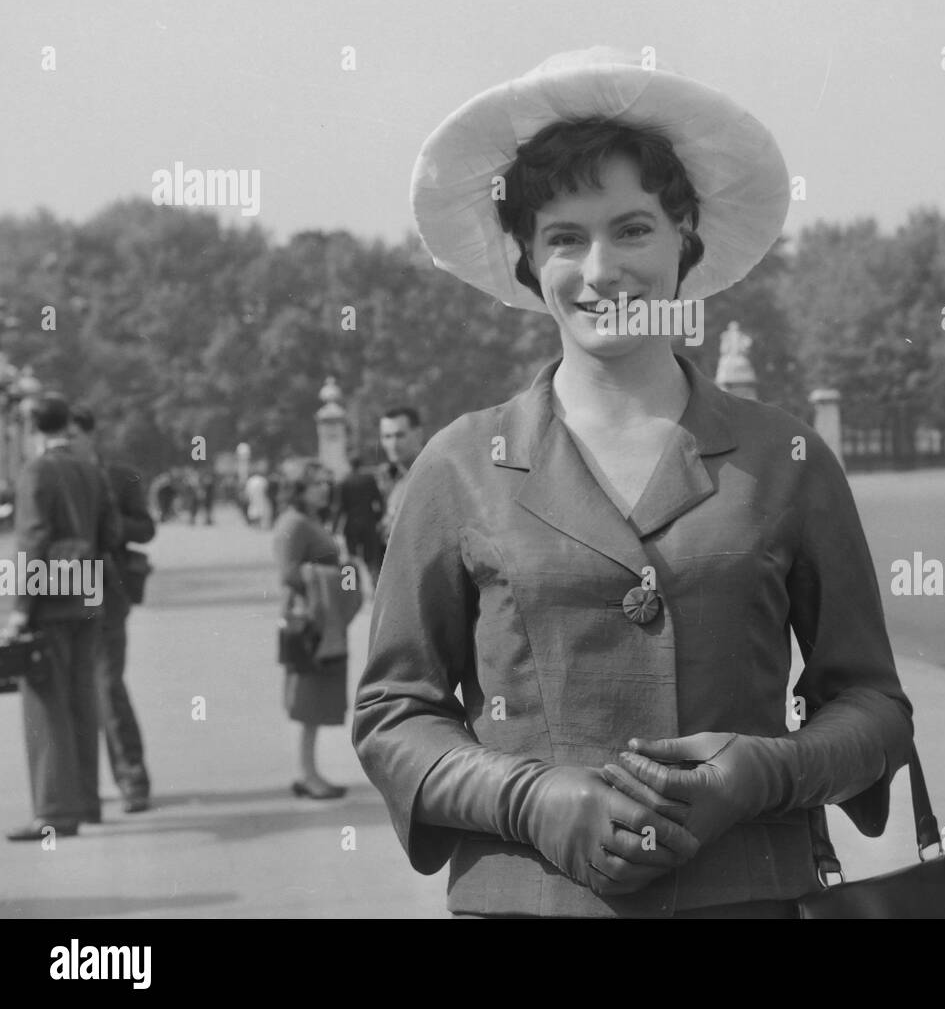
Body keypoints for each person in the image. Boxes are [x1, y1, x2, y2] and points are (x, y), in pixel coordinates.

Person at [354, 48, 913, 917]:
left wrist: (768, 769)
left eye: (633, 227)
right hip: (526, 900)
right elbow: (394, 713)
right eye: (565, 237)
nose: (602, 267)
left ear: (685, 237)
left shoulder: (786, 457)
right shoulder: (460, 463)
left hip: (751, 897)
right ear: (528, 261)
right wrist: (527, 798)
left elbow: (871, 705)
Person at [5, 393, 121, 841]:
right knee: (80, 697)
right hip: (88, 589)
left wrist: (19, 610)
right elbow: (109, 532)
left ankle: (55, 810)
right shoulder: (90, 469)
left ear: (35, 427)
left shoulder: (36, 471)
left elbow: (32, 540)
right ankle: (88, 800)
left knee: (45, 702)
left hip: (51, 597)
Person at [68, 405, 155, 814]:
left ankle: (132, 777)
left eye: (72, 435)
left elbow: (146, 527)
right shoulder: (55, 475)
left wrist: (111, 522)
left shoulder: (118, 476)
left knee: (107, 685)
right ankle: (80, 787)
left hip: (106, 590)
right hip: (62, 593)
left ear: (89, 435)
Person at [273, 459, 357, 799]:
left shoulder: (311, 521)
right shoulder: (293, 524)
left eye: (325, 482)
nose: (324, 488)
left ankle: (309, 771)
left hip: (322, 620)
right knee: (309, 699)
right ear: (298, 491)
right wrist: (333, 577)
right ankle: (308, 774)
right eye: (315, 484)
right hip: (310, 623)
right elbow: (289, 574)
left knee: (316, 697)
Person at [374, 406, 422, 567]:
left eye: (400, 435)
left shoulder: (432, 472)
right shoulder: (392, 479)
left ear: (418, 434)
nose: (393, 443)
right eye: (387, 436)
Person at [332, 455, 384, 589]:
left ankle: (350, 587)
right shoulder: (369, 479)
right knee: (372, 557)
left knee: (351, 557)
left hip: (351, 524)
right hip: (369, 522)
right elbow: (378, 499)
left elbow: (340, 507)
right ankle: (375, 587)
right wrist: (378, 517)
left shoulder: (344, 481)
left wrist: (335, 527)